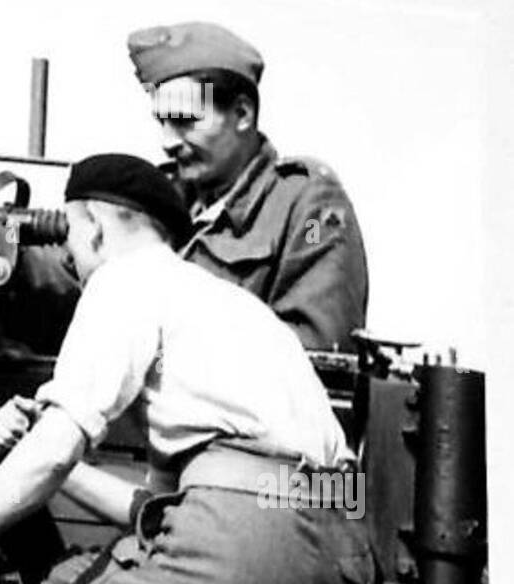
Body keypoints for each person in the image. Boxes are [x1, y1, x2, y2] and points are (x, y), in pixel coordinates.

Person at [0, 154, 378, 584]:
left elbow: (60, 445)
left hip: (237, 550)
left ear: (97, 228)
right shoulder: (239, 310)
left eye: (71, 236)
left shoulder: (123, 283)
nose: (69, 255)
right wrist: (39, 456)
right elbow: (156, 506)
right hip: (343, 559)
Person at [128, 20, 368, 351]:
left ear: (242, 113)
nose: (168, 141)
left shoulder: (309, 207)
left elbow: (319, 348)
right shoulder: (162, 198)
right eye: (162, 122)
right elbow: (77, 267)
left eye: (184, 120)